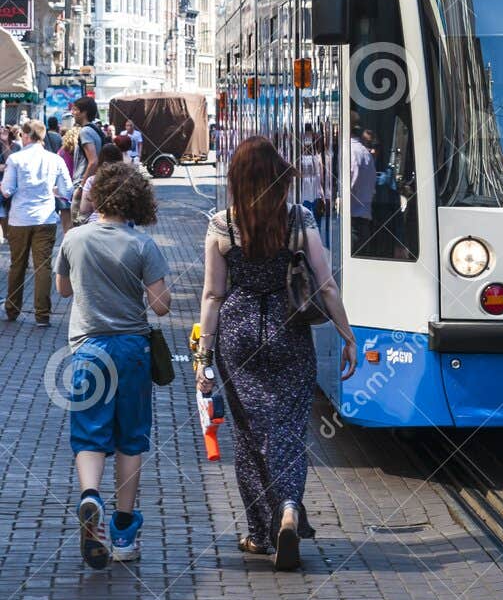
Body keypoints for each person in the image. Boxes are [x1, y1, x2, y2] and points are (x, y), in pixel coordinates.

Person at [196, 136, 357, 569]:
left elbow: (213, 294)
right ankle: (289, 508)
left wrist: (202, 357)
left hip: (238, 331)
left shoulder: (221, 225)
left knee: (249, 436)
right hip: (289, 329)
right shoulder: (299, 220)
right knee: (288, 427)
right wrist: (348, 336)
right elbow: (325, 284)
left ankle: (258, 533)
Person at [55, 165, 170, 568]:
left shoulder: (73, 238)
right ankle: (123, 531)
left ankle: (90, 497)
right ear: (138, 200)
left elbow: (64, 289)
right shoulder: (143, 245)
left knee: (89, 433)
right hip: (132, 350)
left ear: (97, 196)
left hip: (88, 349)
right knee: (131, 438)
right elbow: (160, 305)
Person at [2, 121, 72, 326]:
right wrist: (53, 192)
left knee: (18, 265)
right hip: (46, 217)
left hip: (19, 219)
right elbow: (66, 189)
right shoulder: (55, 159)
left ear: (26, 135)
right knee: (43, 266)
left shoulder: (16, 159)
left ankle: (12, 309)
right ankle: (42, 314)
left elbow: (7, 190)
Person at [70, 97, 105, 223]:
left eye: (75, 110)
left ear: (84, 112)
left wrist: (81, 187)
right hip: (93, 183)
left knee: (79, 225)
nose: (72, 113)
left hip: (84, 185)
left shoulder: (85, 131)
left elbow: (93, 161)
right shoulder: (95, 129)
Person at [79, 143, 127, 220]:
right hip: (122, 224)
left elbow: (84, 209)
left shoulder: (91, 180)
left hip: (96, 223)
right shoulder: (127, 179)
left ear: (100, 159)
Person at [350, 126, 378, 248]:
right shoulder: (367, 154)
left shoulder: (352, 150)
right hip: (364, 217)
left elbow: (353, 179)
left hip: (354, 218)